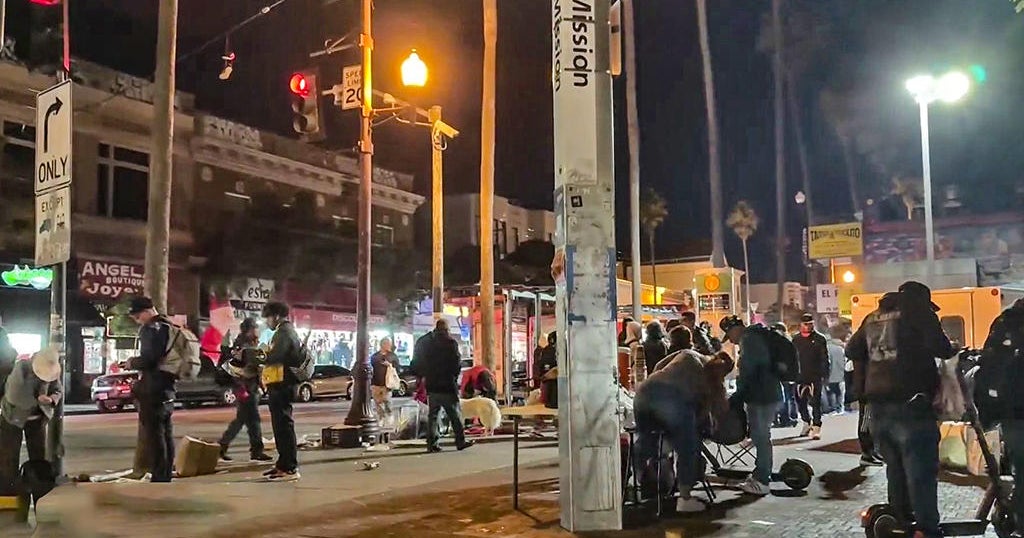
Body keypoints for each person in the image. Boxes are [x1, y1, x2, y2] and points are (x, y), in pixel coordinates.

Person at [846, 282, 952, 538]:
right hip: (911, 404)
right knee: (921, 472)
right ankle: (927, 529)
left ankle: (900, 523)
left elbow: (851, 349)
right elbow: (943, 348)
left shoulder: (873, 317)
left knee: (895, 470)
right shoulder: (918, 311)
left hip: (879, 407)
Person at [634, 326, 731, 513]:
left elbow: (658, 367)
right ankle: (684, 498)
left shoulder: (688, 354)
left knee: (648, 439)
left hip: (645, 393)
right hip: (673, 397)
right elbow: (705, 414)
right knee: (689, 446)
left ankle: (639, 479)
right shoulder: (711, 382)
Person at [723, 315, 782, 496]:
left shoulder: (749, 341)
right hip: (767, 393)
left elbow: (749, 373)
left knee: (761, 436)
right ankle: (760, 474)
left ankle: (762, 480)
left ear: (735, 329)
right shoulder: (754, 337)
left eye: (729, 335)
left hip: (761, 396)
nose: (731, 341)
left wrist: (739, 395)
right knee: (761, 436)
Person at [978, 298, 1024, 529]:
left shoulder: (1004, 322)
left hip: (1012, 411)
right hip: (1015, 410)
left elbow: (987, 366)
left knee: (1021, 466)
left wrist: (986, 411)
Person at [127, 297, 177, 483]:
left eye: (137, 315)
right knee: (166, 433)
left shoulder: (151, 329)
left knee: (155, 436)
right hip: (168, 386)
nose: (136, 320)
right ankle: (166, 473)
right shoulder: (168, 326)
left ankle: (160, 476)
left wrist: (132, 362)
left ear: (148, 311)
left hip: (153, 388)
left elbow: (150, 359)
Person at [0, 348, 61, 495]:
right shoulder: (21, 368)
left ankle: (39, 488)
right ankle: (10, 489)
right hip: (13, 417)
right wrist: (38, 400)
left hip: (37, 418)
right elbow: (14, 396)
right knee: (9, 455)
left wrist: (52, 399)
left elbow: (57, 389)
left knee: (39, 455)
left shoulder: (53, 371)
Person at [410, 319, 473, 453]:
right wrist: (454, 377)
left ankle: (432, 444)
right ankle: (460, 441)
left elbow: (418, 362)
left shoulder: (427, 343)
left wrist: (423, 376)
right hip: (447, 385)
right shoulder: (450, 344)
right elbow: (456, 364)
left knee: (433, 416)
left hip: (432, 385)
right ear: (447, 329)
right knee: (455, 415)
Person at [218, 318, 271, 463]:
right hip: (247, 388)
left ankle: (222, 447)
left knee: (242, 420)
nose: (258, 331)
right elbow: (254, 368)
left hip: (244, 388)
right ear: (250, 330)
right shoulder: (247, 347)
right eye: (256, 328)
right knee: (253, 421)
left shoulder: (240, 344)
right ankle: (256, 451)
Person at [261, 301, 302, 481]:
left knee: (283, 426)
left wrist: (261, 355)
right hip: (280, 383)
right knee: (281, 426)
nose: (266, 322)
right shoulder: (285, 331)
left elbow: (276, 356)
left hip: (282, 385)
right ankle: (283, 463)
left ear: (276, 316)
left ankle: (289, 467)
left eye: (267, 317)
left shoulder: (284, 332)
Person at [792, 314, 829, 440]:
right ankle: (806, 422)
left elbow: (824, 358)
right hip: (799, 376)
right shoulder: (795, 339)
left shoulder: (819, 339)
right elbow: (792, 358)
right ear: (800, 325)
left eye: (810, 324)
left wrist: (825, 375)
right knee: (800, 402)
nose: (808, 326)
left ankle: (817, 427)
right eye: (805, 324)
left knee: (816, 403)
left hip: (815, 376)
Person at [769, 322, 798, 428]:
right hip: (789, 374)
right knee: (790, 397)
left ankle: (784, 418)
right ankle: (791, 417)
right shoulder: (789, 341)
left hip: (782, 375)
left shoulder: (780, 343)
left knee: (784, 397)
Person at [370, 336, 402, 428]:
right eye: (388, 344)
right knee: (378, 403)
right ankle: (381, 418)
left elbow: (398, 369)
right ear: (383, 344)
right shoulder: (375, 356)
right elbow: (371, 368)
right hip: (376, 383)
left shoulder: (392, 356)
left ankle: (390, 414)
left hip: (387, 383)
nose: (390, 346)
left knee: (387, 400)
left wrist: (390, 365)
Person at [825, 334, 847, 415]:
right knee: (839, 392)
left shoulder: (825, 349)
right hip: (840, 374)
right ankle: (840, 408)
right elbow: (844, 361)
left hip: (830, 375)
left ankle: (833, 408)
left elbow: (827, 363)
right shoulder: (839, 349)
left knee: (831, 392)